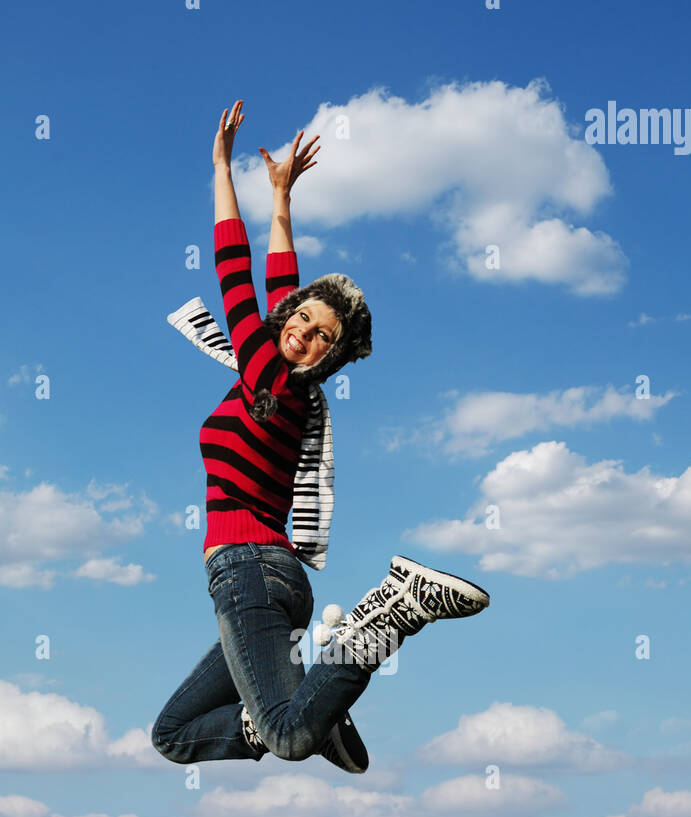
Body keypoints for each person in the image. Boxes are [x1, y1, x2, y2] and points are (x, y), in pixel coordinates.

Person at [152, 100, 490, 776]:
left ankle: (391, 615)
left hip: (247, 567)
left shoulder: (270, 374)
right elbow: (281, 282)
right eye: (302, 319)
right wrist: (281, 198)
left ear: (326, 358)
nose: (303, 331)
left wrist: (220, 167)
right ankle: (318, 699)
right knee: (174, 733)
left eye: (321, 337)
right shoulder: (289, 391)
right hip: (274, 576)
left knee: (288, 738)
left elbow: (233, 267)